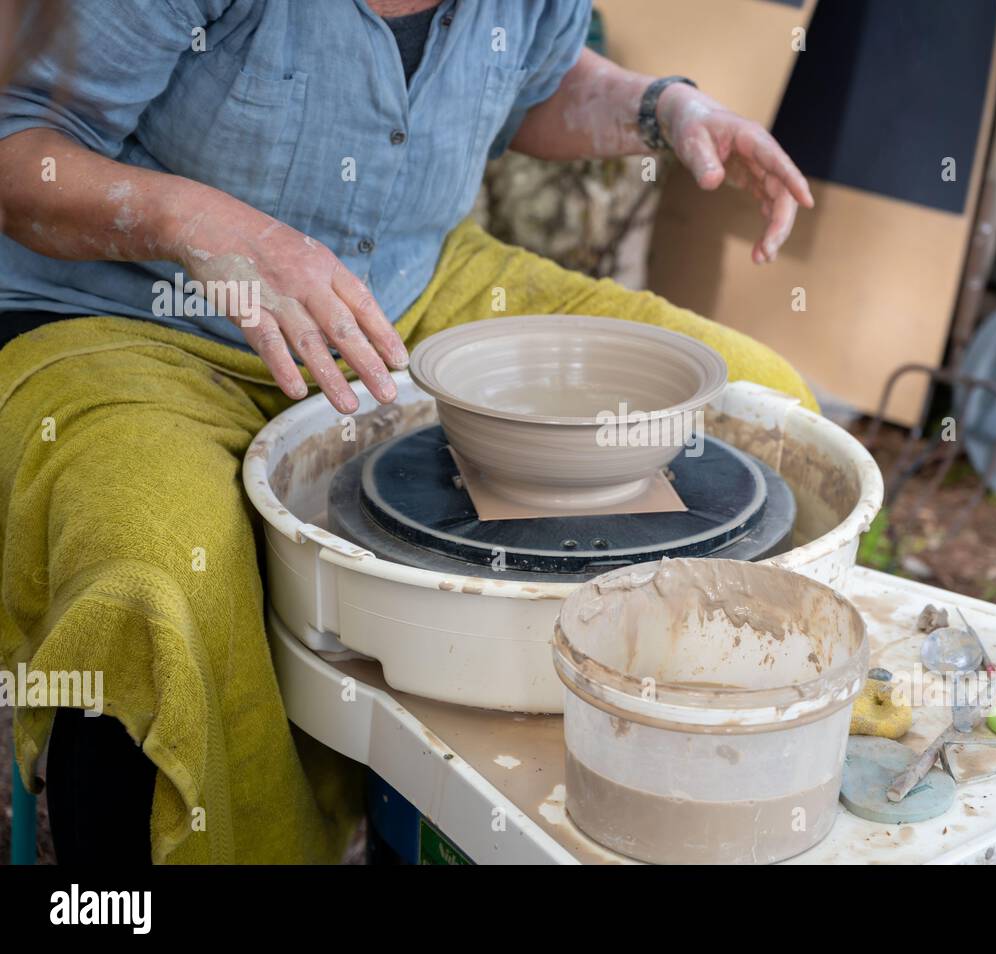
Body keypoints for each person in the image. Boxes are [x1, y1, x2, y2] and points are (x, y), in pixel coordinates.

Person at [0, 0, 816, 862]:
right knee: (158, 571)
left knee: (767, 410)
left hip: (402, 292)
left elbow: (531, 86)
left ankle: (491, 799)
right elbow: (20, 158)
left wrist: (664, 108)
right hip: (132, 314)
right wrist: (201, 224)